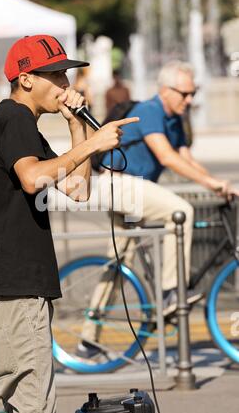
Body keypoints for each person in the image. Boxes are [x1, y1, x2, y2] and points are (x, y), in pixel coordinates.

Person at [0, 34, 138, 413]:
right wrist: (92, 145)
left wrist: (77, 126)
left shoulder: (23, 123)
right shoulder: (14, 117)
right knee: (35, 412)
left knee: (31, 409)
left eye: (66, 76)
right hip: (14, 289)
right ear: (26, 78)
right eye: (56, 75)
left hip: (18, 289)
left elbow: (77, 189)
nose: (65, 85)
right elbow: (31, 178)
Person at [77, 60, 239, 359]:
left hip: (134, 190)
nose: (190, 100)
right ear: (165, 90)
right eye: (185, 93)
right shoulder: (151, 110)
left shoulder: (175, 119)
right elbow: (167, 157)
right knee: (181, 212)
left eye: (194, 93)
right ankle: (169, 292)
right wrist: (212, 184)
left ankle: (88, 336)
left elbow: (186, 159)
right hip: (119, 184)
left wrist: (218, 183)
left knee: (118, 262)